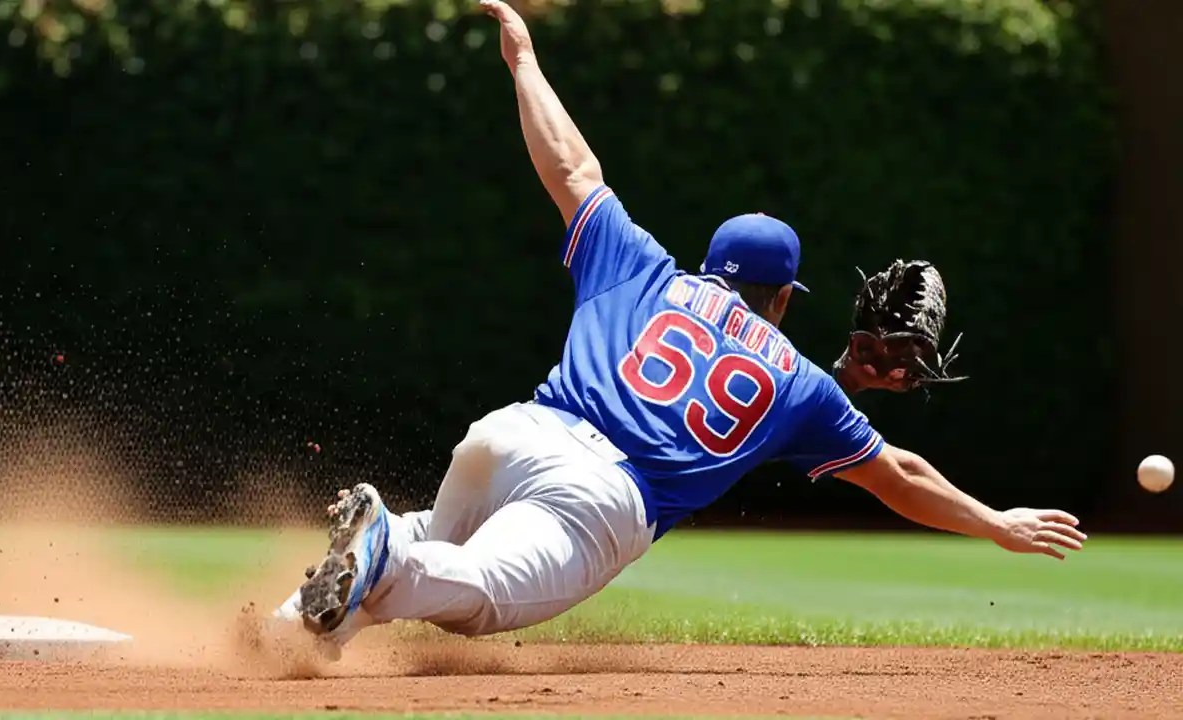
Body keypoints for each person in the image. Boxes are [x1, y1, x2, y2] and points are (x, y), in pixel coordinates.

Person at [273, 0, 1086, 651]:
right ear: (786, 297)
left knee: (440, 538)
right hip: (596, 496)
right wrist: (994, 522)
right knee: (476, 596)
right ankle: (384, 548)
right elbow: (894, 472)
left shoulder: (640, 266)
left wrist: (522, 57)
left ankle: (289, 628)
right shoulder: (800, 386)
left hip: (510, 435)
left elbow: (572, 167)